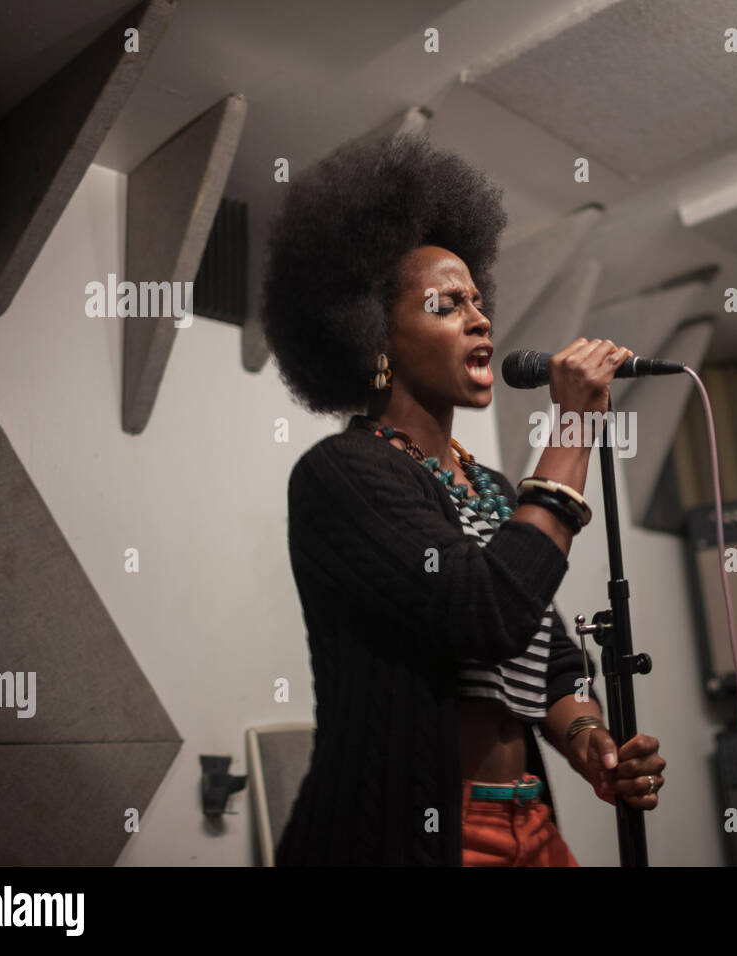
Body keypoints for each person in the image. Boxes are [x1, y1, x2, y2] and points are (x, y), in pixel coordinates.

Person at [262, 132, 666, 866]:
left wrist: (586, 739)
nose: (481, 319)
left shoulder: (489, 487)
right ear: (374, 337)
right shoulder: (344, 475)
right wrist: (573, 425)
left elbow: (548, 658)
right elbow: (485, 613)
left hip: (530, 824)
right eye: (447, 305)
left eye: (479, 302)